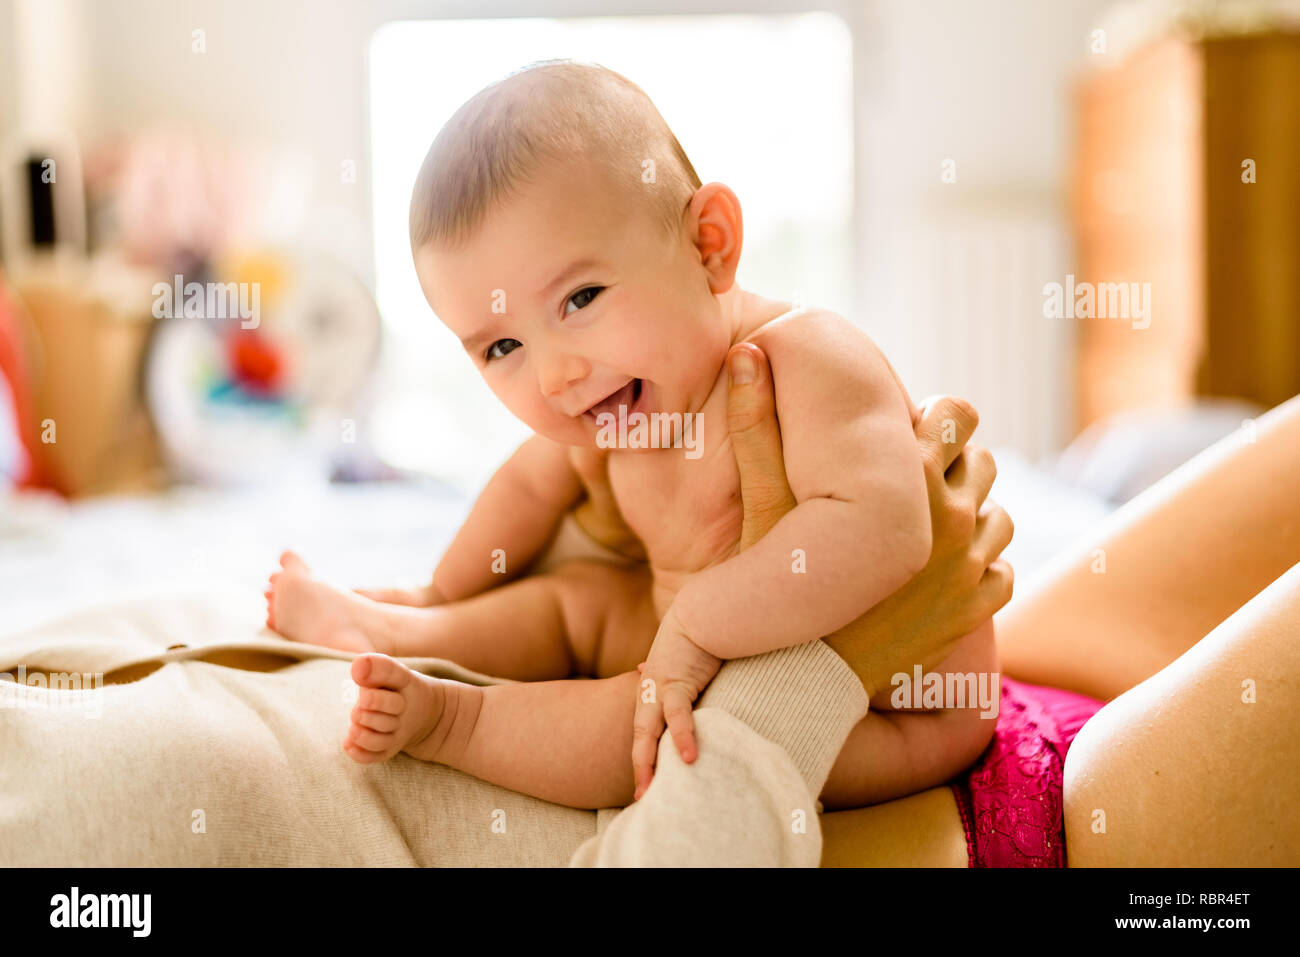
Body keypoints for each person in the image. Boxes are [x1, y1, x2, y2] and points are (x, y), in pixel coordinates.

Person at [264, 59, 997, 812]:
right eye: (501, 348)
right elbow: (526, 484)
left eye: (580, 297)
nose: (554, 376)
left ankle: (458, 720)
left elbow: (889, 526)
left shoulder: (804, 357)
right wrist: (446, 586)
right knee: (571, 602)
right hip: (681, 632)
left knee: (665, 720)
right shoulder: (615, 400)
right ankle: (403, 627)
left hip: (888, 705)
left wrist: (700, 622)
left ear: (709, 244)